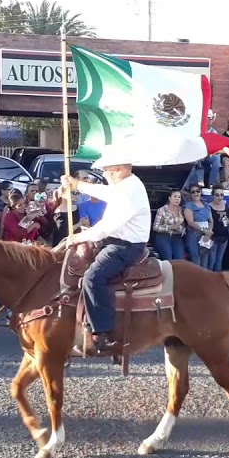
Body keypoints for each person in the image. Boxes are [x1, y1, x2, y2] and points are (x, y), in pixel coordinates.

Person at [56, 145, 152, 356]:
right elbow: (107, 192)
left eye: (106, 170)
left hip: (124, 246)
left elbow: (106, 227)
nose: (104, 174)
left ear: (118, 170)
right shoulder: (127, 185)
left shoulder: (129, 192)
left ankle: (101, 332)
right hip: (115, 240)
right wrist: (77, 184)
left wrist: (77, 237)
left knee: (92, 277)